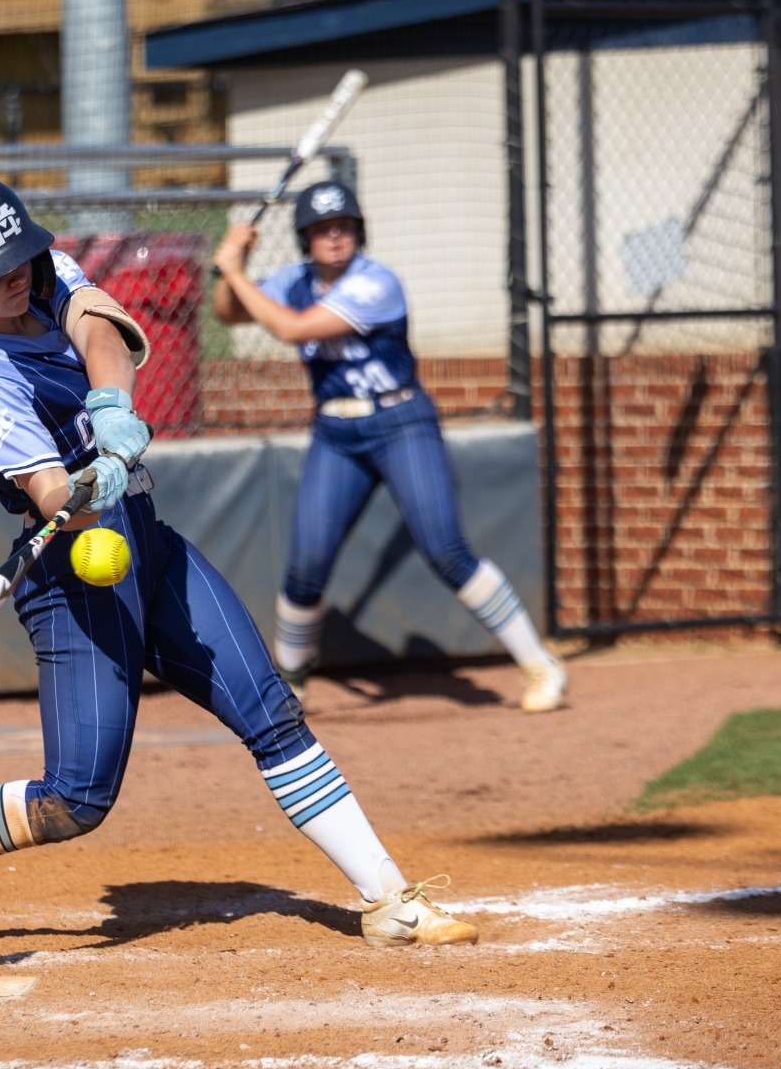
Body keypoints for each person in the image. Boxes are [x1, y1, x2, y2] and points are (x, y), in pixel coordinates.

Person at [0, 173, 477, 960]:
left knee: (271, 709)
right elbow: (51, 494)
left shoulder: (39, 272)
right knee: (76, 798)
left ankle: (388, 898)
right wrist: (84, 485)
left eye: (20, 256)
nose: (19, 273)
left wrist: (111, 409)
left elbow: (100, 331)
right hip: (77, 571)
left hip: (146, 538)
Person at [208, 181, 567, 711]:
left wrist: (236, 274)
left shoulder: (376, 282)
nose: (334, 236)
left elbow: (293, 329)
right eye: (321, 229)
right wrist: (229, 269)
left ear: (359, 230)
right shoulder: (293, 280)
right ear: (305, 237)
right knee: (307, 565)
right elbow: (230, 314)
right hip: (336, 432)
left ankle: (541, 666)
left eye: (343, 226)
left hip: (401, 423)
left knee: (445, 551)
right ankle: (289, 685)